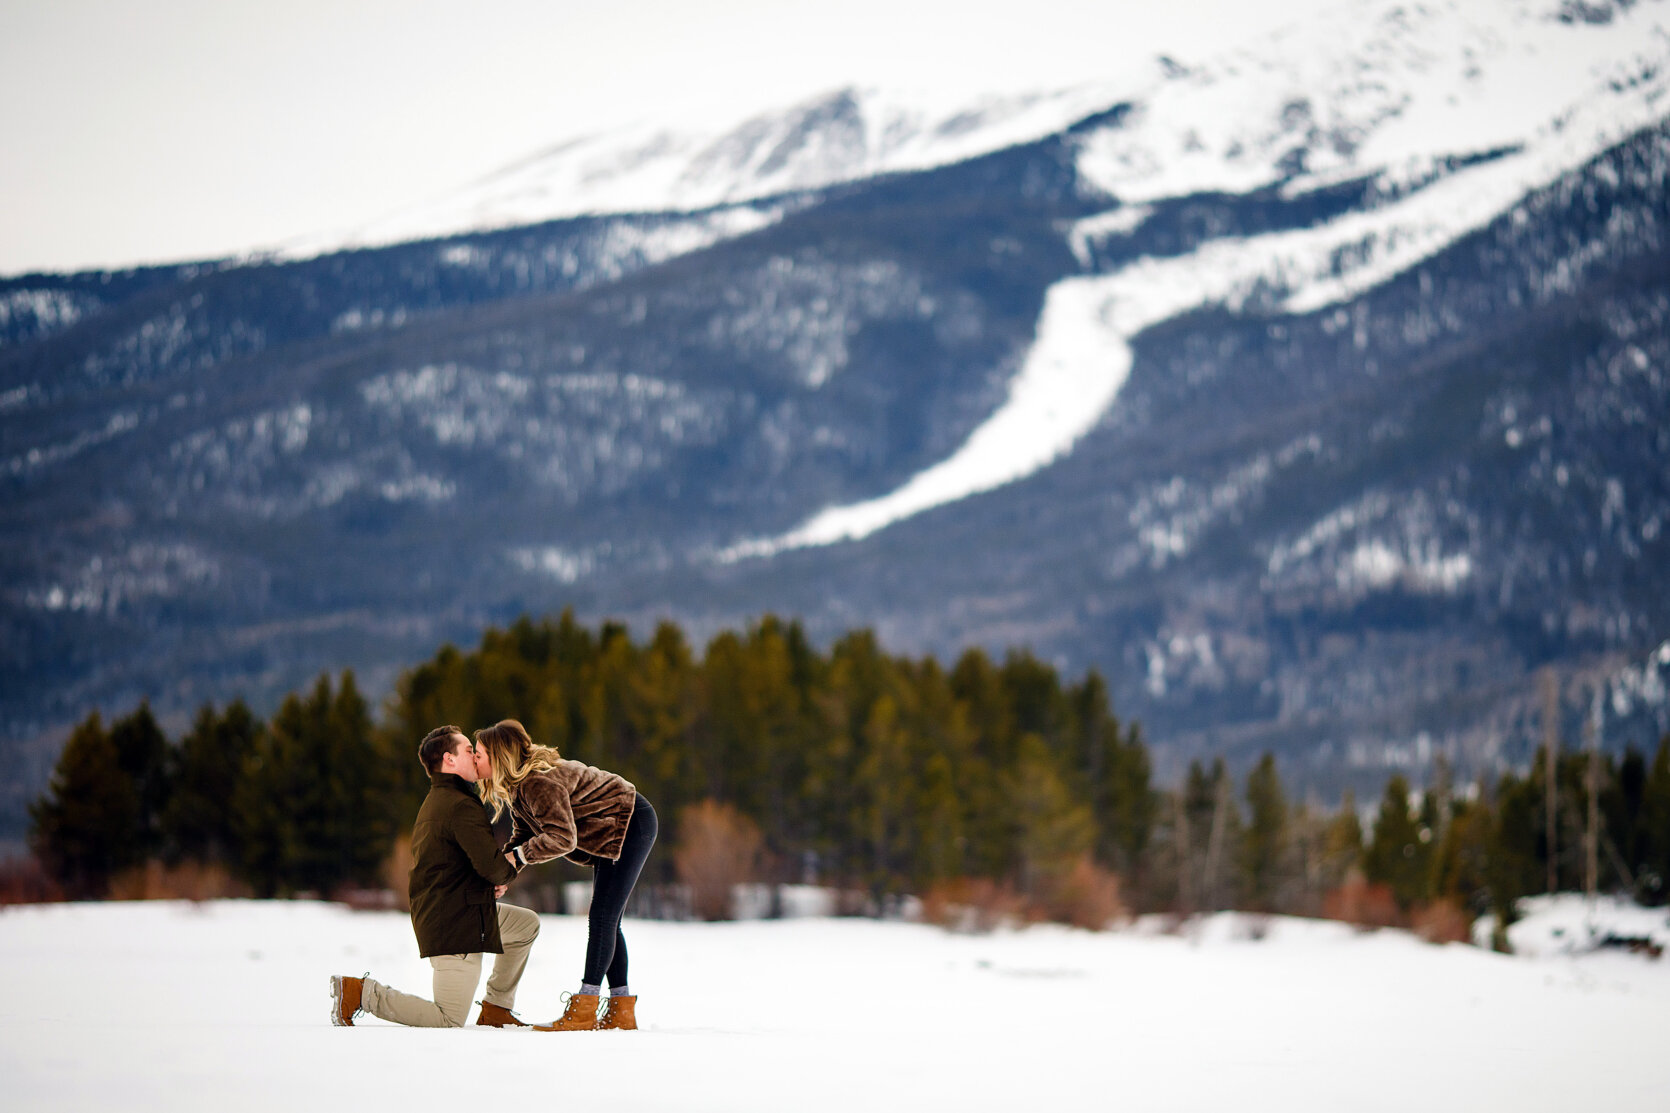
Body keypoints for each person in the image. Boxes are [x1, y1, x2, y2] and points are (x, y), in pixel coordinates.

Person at [329, 726, 540, 1029]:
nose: (477, 754)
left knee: (525, 926)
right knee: (448, 1019)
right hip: (454, 923)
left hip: (462, 909)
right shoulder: (459, 806)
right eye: (469, 749)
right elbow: (492, 867)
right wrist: (507, 869)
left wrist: (488, 881)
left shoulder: (443, 800)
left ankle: (497, 1008)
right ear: (449, 760)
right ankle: (361, 994)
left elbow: (454, 866)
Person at [473, 718, 658, 1032]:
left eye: (478, 753)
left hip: (629, 822)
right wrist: (504, 873)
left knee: (602, 917)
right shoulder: (520, 788)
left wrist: (515, 858)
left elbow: (562, 838)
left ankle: (585, 1008)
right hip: (612, 828)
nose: (474, 758)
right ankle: (620, 1012)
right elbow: (523, 836)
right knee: (608, 920)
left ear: (499, 756)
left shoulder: (536, 783)